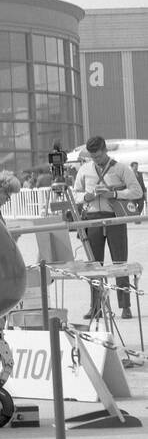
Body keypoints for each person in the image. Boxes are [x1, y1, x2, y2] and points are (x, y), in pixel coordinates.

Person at [71, 135, 143, 319]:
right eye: (93, 157)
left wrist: (115, 193)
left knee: (120, 263)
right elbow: (75, 194)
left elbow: (137, 191)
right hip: (93, 218)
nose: (96, 160)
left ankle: (125, 306)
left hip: (115, 219)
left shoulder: (121, 168)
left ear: (105, 151)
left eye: (99, 156)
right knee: (94, 266)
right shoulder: (85, 170)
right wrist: (87, 197)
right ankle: (96, 306)